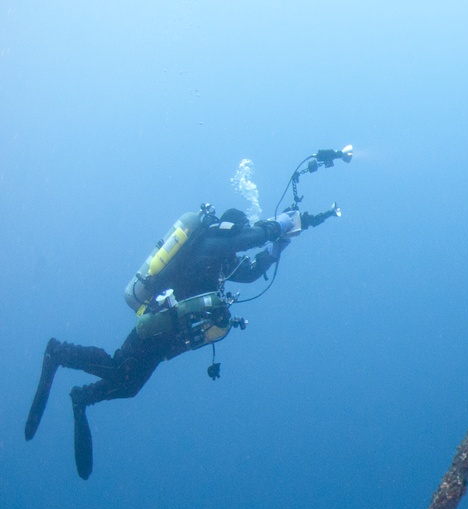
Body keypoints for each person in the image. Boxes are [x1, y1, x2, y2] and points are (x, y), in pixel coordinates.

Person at [24, 202, 337, 479]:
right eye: (237, 238)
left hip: (171, 337)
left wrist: (274, 252)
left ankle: (81, 398)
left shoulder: (223, 261)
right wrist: (280, 224)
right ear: (230, 230)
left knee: (129, 386)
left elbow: (251, 272)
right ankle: (58, 353)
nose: (238, 249)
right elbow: (253, 237)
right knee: (119, 366)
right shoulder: (210, 244)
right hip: (159, 324)